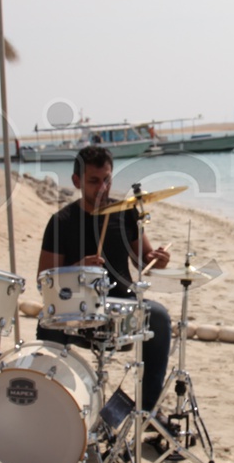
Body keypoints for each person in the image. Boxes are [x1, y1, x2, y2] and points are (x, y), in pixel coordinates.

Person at [37, 145, 172, 413]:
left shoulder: (125, 213)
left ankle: (145, 412)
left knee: (160, 317)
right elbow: (44, 280)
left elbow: (144, 261)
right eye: (94, 181)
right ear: (77, 181)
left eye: (107, 179)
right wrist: (76, 269)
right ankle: (53, 406)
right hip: (77, 309)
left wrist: (158, 259)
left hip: (121, 307)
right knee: (47, 324)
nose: (102, 188)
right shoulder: (61, 222)